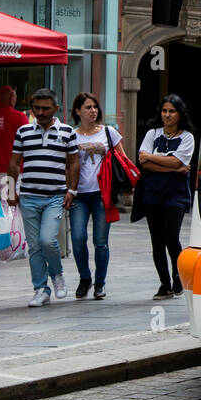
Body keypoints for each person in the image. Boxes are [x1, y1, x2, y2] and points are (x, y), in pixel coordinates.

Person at [7, 89, 79, 307]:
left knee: (48, 240)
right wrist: (11, 191)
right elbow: (13, 163)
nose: (41, 112)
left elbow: (74, 162)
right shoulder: (23, 131)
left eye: (46, 108)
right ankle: (40, 288)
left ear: (56, 108)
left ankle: (57, 274)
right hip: (28, 195)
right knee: (34, 246)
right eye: (37, 108)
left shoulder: (67, 132)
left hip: (55, 196)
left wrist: (72, 191)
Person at [138, 94, 196, 300]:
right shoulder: (152, 133)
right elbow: (143, 161)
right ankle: (164, 283)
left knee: (171, 236)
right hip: (153, 193)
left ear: (179, 114)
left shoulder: (187, 137)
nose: (167, 115)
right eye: (164, 111)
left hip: (176, 195)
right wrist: (172, 165)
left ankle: (177, 275)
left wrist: (160, 162)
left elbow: (175, 161)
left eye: (171, 111)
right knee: (157, 240)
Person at [69, 91, 119, 300]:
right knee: (78, 238)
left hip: (101, 193)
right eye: (88, 107)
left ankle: (100, 283)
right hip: (78, 193)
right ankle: (84, 277)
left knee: (101, 241)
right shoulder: (71, 134)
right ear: (77, 111)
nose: (93, 111)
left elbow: (121, 158)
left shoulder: (108, 132)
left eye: (95, 107)